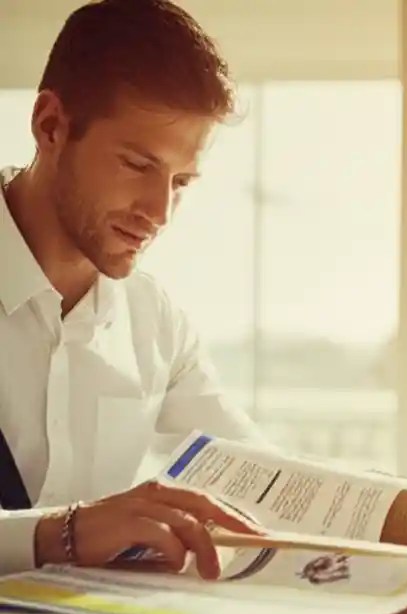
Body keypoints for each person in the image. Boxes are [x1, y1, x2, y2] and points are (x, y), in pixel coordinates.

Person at [0, 0, 266, 580]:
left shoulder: (157, 325)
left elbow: (265, 483)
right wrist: (59, 535)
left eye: (181, 181)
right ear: (51, 126)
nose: (159, 211)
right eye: (137, 164)